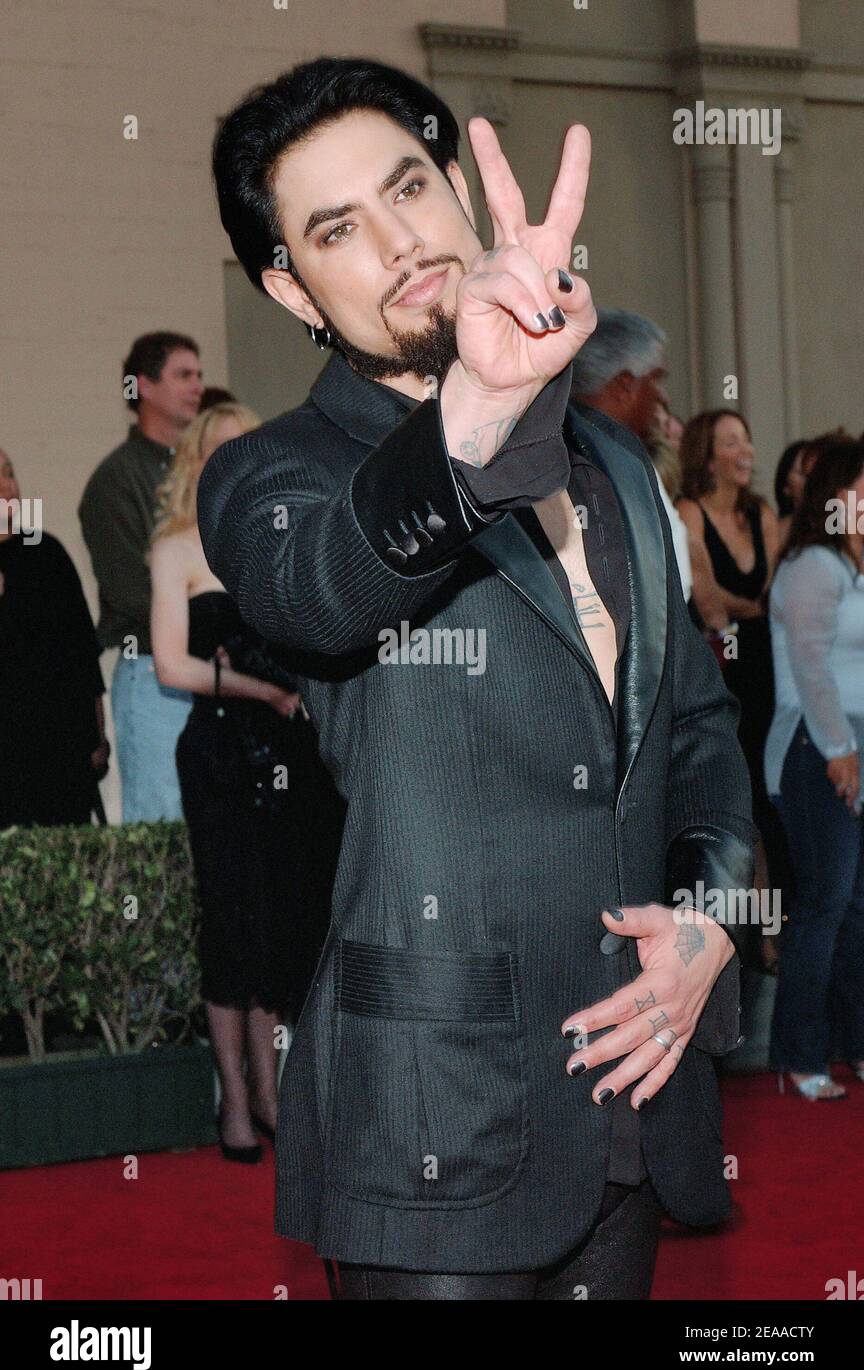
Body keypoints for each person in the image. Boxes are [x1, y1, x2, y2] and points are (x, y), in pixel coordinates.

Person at [199, 56, 755, 1300]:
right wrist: (476, 420)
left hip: (634, 1093)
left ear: (459, 187)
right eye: (339, 229)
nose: (400, 242)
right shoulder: (271, 477)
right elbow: (325, 589)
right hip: (432, 1131)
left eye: (410, 186)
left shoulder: (613, 459)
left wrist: (709, 920)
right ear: (291, 284)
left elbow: (702, 734)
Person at [149, 402, 344, 1161]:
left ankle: (272, 1089)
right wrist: (263, 692)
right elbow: (172, 665)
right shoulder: (174, 550)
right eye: (222, 450)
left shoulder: (282, 537)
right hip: (221, 756)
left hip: (295, 758)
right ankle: (234, 1096)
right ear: (198, 461)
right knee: (230, 922)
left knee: (282, 920)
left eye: (250, 450)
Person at [765, 438, 864, 1100]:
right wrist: (839, 752)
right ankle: (800, 1058)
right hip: (814, 745)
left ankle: (853, 1047)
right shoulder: (813, 567)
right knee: (824, 905)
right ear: (833, 497)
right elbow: (810, 666)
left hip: (850, 740)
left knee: (856, 907)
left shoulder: (853, 568)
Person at [79, 331, 204, 822]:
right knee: (164, 828)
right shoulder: (116, 479)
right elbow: (130, 589)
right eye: (183, 375)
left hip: (213, 673)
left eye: (199, 375)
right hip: (153, 675)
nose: (197, 386)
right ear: (144, 388)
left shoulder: (202, 472)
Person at [677, 412, 787, 945]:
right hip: (721, 664)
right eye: (730, 442)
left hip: (766, 663)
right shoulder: (689, 511)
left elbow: (770, 595)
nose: (745, 450)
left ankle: (772, 926)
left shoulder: (760, 513)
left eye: (746, 439)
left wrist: (746, 608)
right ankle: (751, 933)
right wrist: (748, 609)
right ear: (707, 455)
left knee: (770, 791)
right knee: (738, 793)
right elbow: (708, 599)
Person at [568, 310, 729, 633]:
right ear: (625, 385)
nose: (663, 395)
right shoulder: (582, 464)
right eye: (656, 379)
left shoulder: (627, 457)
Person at [0, 447, 108, 828]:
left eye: (10, 473)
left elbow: (82, 653)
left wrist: (98, 735)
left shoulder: (45, 552)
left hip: (59, 750)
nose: (8, 486)